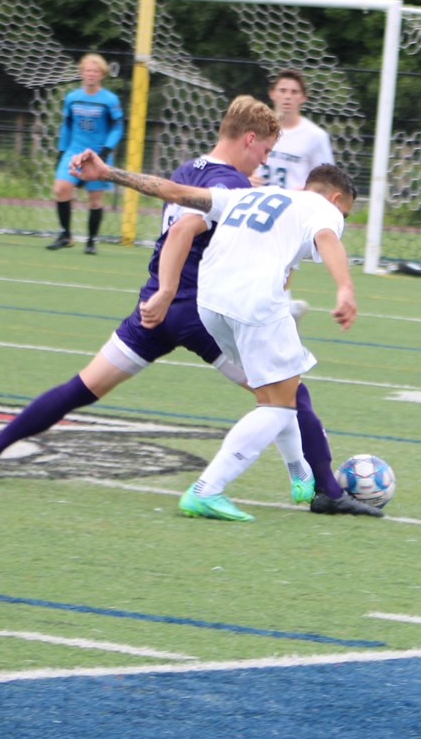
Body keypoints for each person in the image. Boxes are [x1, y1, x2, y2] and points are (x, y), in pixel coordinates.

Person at [0, 96, 379, 517]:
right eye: (264, 151)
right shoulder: (231, 182)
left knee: (82, 387)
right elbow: (186, 229)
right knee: (288, 395)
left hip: (150, 309)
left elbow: (178, 197)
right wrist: (172, 288)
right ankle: (322, 488)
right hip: (198, 311)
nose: (263, 162)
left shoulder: (193, 168)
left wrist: (112, 177)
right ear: (249, 139)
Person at [71, 144, 360, 522]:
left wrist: (109, 173)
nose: (343, 219)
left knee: (280, 387)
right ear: (336, 197)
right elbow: (328, 237)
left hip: (208, 303)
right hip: (252, 303)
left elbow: (173, 192)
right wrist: (345, 288)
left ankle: (300, 475)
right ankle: (208, 490)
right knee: (278, 404)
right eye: (346, 213)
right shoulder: (322, 207)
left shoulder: (251, 193)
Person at [49, 53, 125, 254]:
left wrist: (107, 149)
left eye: (95, 71)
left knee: (95, 199)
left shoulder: (110, 99)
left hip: (98, 153)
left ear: (102, 75)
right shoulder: (72, 98)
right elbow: (66, 126)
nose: (91, 74)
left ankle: (91, 241)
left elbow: (118, 127)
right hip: (73, 150)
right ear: (81, 73)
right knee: (61, 189)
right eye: (88, 70)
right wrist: (62, 149)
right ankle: (65, 234)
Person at [258, 68, 335, 190]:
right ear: (272, 93)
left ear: (303, 97)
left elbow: (329, 181)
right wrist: (246, 178)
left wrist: (307, 191)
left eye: (294, 92)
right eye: (282, 91)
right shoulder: (254, 129)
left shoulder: (316, 136)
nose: (288, 96)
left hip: (294, 207)